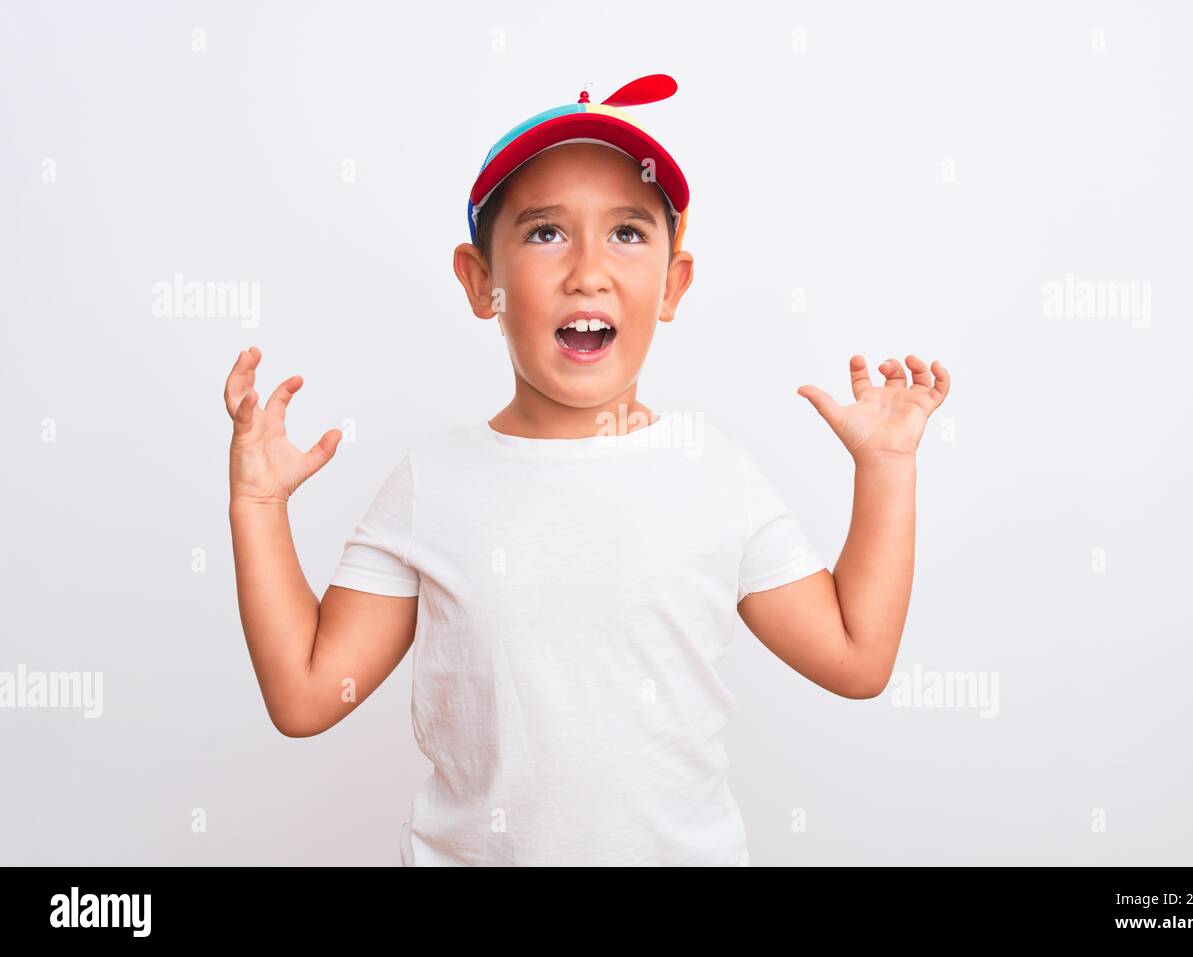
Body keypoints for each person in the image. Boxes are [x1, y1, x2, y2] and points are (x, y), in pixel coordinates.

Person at [223, 73, 951, 866]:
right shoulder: (430, 484)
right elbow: (303, 695)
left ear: (673, 285)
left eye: (628, 233)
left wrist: (885, 468)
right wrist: (258, 504)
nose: (587, 270)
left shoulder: (713, 474)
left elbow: (856, 657)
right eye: (544, 233)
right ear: (479, 282)